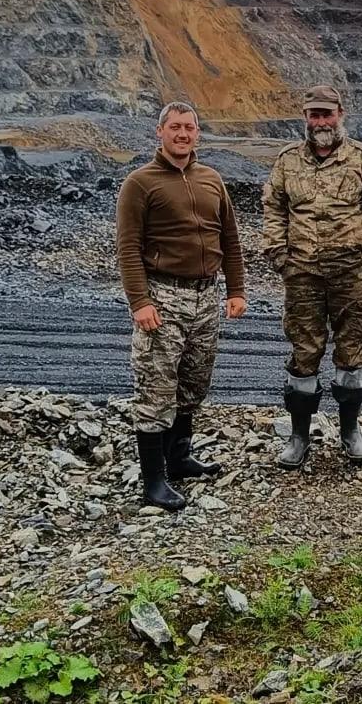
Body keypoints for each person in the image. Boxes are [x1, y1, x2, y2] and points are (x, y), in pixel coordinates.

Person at [116, 100, 247, 510]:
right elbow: (128, 248)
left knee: (193, 382)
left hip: (206, 296)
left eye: (189, 127)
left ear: (197, 134)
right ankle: (154, 482)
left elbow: (230, 238)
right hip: (163, 296)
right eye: (174, 127)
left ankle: (179, 458)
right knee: (157, 385)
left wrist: (236, 289)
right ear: (160, 132)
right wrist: (140, 301)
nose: (183, 134)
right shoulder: (140, 183)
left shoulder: (212, 179)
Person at [261, 84, 362, 469]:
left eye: (327, 114)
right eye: (314, 115)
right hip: (301, 275)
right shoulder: (287, 161)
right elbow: (273, 210)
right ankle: (299, 436)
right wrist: (281, 257)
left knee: (351, 352)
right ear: (305, 117)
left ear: (340, 114)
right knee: (304, 354)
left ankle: (350, 430)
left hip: (351, 275)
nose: (321, 122)